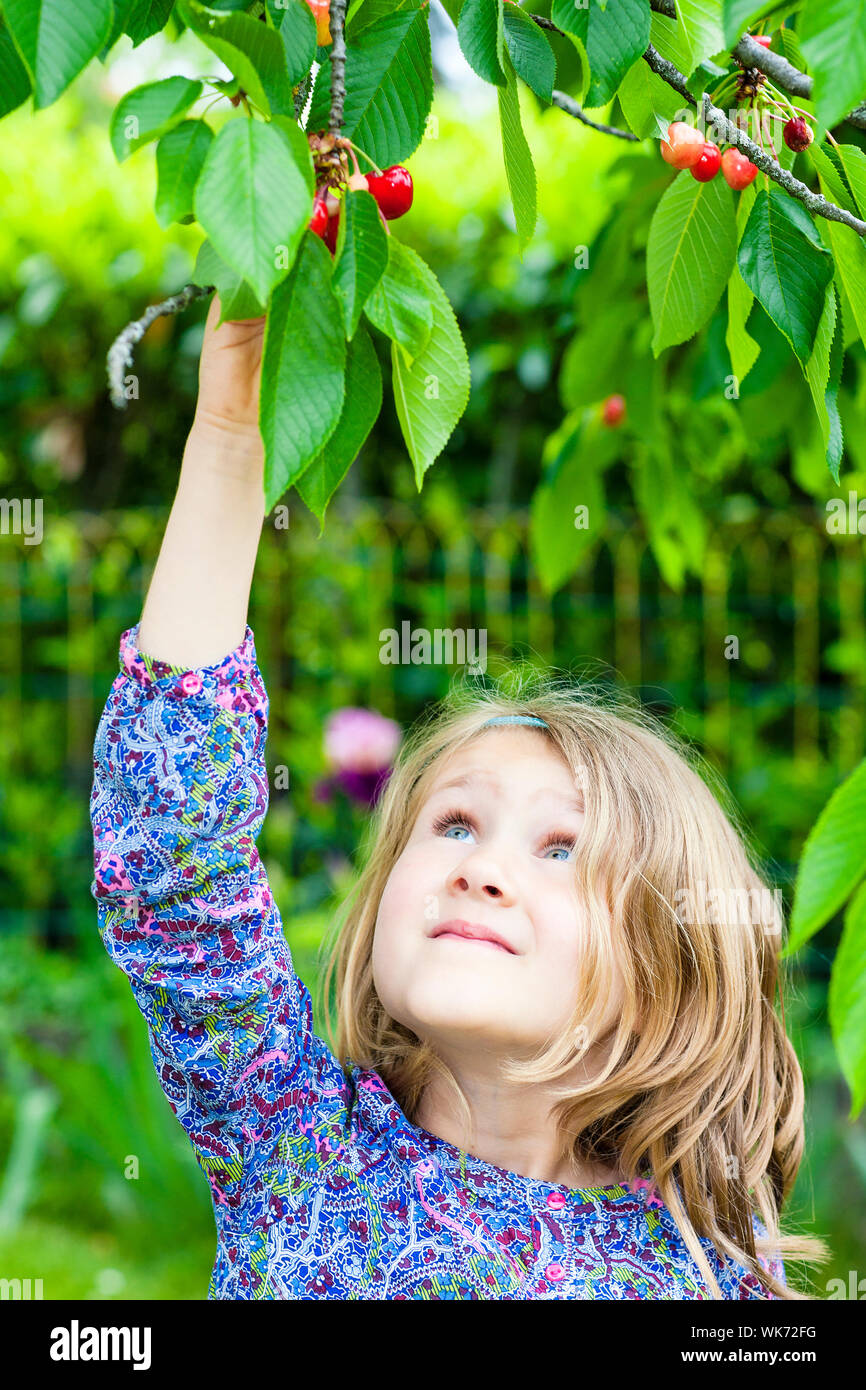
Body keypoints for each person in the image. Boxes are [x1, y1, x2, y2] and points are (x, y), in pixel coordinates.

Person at [90, 293, 828, 1300]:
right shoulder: (293, 1147)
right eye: (453, 824)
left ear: (670, 961)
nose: (480, 868)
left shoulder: (707, 1279)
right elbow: (172, 855)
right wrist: (227, 440)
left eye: (560, 849)